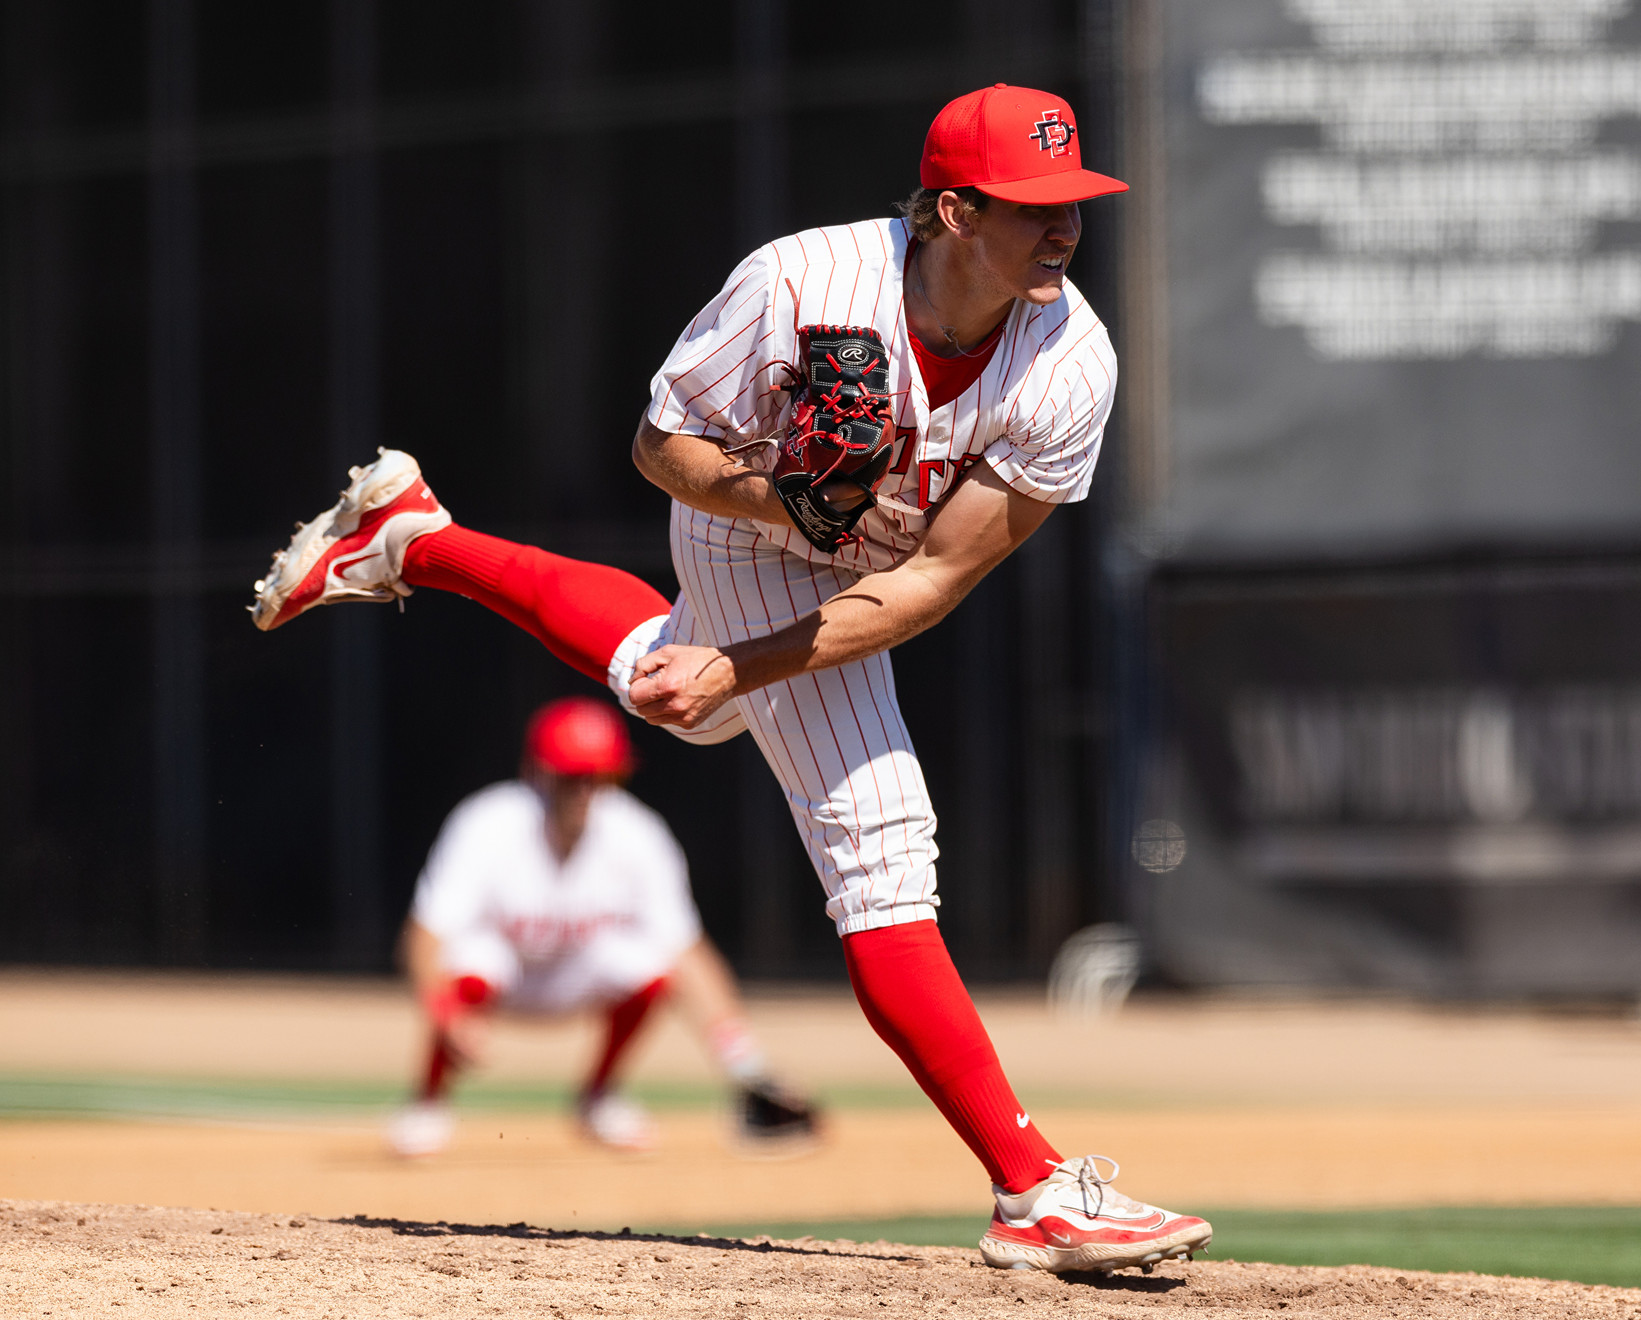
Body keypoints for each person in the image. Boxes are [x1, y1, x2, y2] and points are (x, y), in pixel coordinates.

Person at [248, 85, 1210, 1274]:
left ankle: (413, 538)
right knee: (881, 841)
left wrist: (734, 665)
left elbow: (929, 584)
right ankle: (1034, 1191)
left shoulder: (1073, 361)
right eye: (1035, 207)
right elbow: (660, 448)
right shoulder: (799, 285)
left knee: (683, 694)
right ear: (956, 209)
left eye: (1075, 204)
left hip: (872, 565)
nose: (1066, 229)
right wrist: (778, 502)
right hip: (743, 525)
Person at [389, 694, 818, 1158]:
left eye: (601, 775)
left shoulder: (636, 832)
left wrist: (747, 1066)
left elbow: (685, 951)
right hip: (500, 974)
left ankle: (598, 1099)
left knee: (648, 963)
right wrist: (446, 1015)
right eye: (574, 775)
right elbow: (426, 935)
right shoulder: (489, 822)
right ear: (537, 771)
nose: (587, 790)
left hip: (576, 974)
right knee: (472, 956)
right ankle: (427, 1103)